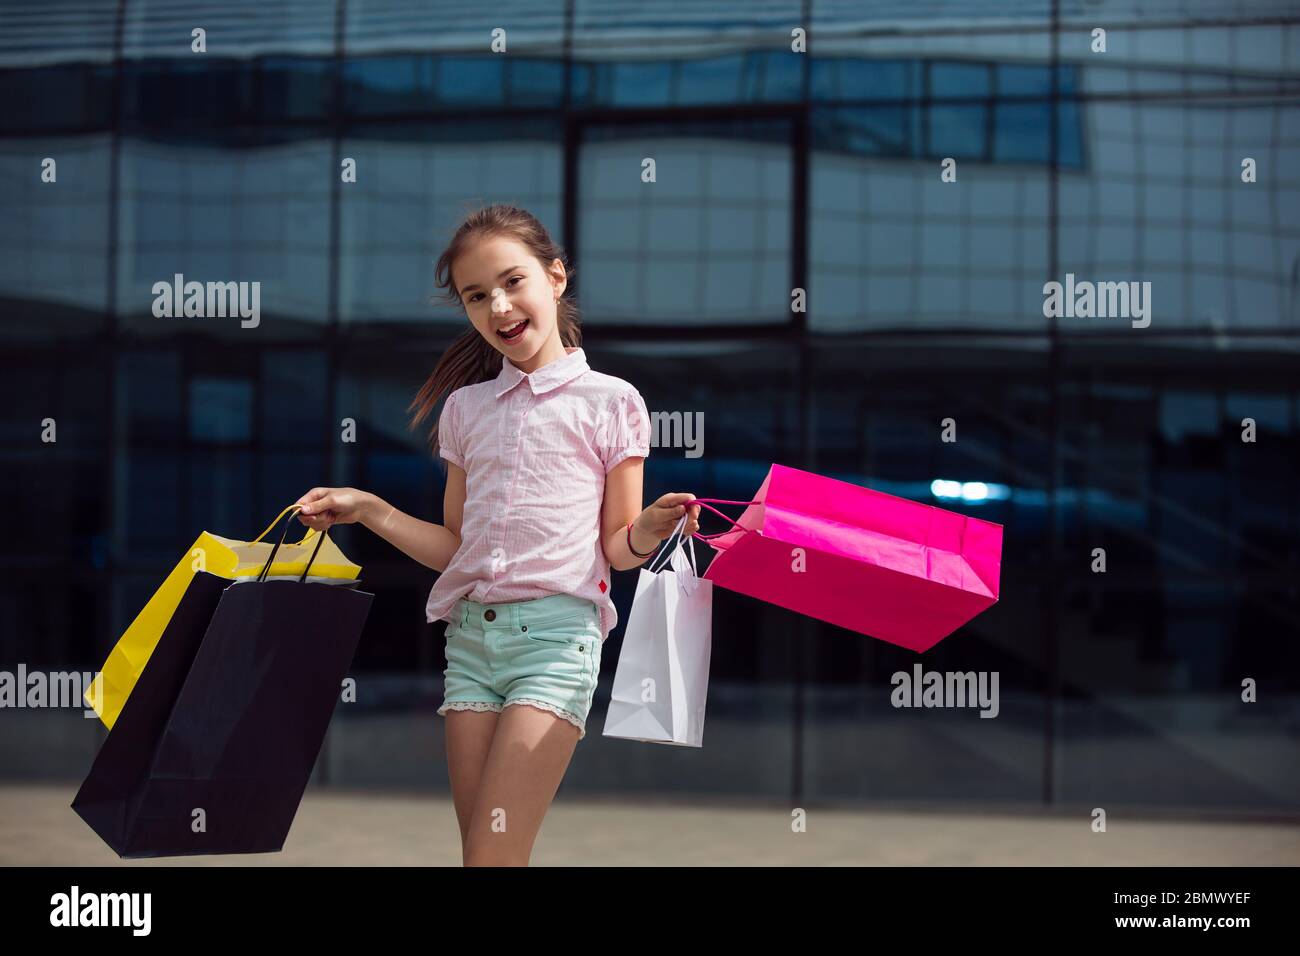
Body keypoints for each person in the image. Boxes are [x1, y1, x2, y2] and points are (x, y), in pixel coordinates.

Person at [293, 204, 700, 866]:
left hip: (556, 643)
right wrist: (367, 508)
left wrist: (650, 527)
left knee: (491, 855)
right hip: (471, 645)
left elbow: (618, 549)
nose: (499, 307)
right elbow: (457, 550)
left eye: (513, 282)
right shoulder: (465, 411)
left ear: (556, 277)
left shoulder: (612, 401)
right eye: (477, 296)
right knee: (482, 857)